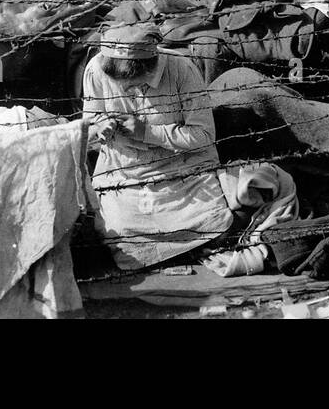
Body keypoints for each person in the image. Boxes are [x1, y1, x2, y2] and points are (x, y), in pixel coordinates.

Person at [82, 20, 235, 270]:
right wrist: (99, 129)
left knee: (213, 220)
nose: (125, 90)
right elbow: (87, 128)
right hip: (125, 172)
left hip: (182, 169)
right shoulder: (96, 69)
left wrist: (147, 132)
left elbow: (204, 135)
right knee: (118, 231)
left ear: (147, 68)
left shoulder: (181, 70)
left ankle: (171, 251)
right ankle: (185, 250)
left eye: (132, 84)